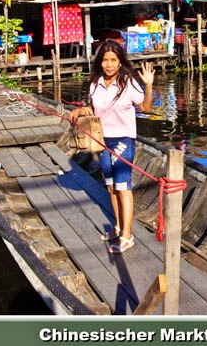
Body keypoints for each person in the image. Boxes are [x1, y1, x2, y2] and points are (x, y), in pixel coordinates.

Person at [68, 40, 154, 254]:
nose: (108, 64)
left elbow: (145, 107)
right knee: (110, 187)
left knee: (123, 188)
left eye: (113, 60)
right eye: (105, 60)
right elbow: (94, 108)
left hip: (123, 140)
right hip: (102, 141)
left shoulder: (128, 83)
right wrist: (80, 111)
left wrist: (149, 85)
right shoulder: (95, 83)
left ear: (120, 62)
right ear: (100, 62)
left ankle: (128, 235)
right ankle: (118, 227)